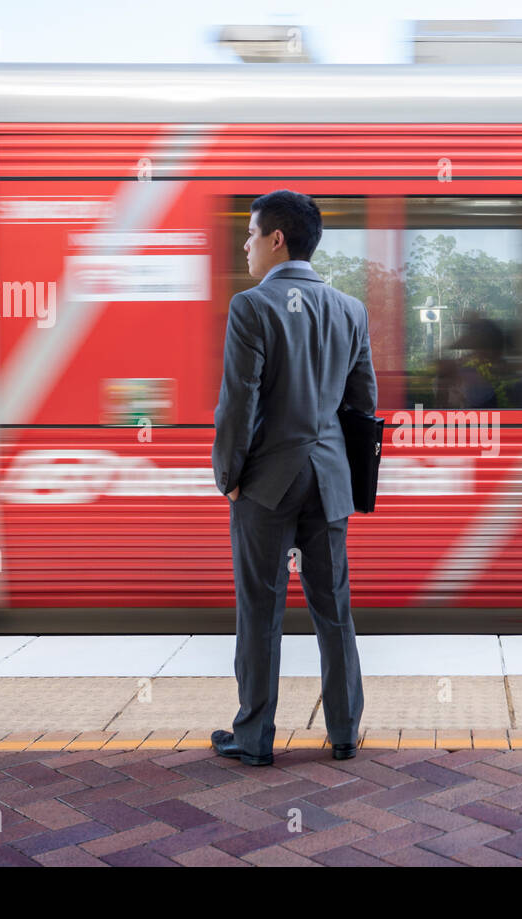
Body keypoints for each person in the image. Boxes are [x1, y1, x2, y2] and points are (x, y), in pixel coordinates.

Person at [210, 190, 377, 766]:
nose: (246, 245)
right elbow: (363, 406)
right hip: (329, 480)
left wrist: (227, 474)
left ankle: (254, 739)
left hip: (266, 483)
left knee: (260, 609)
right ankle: (345, 731)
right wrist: (348, 479)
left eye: (251, 234)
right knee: (334, 608)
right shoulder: (351, 310)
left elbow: (239, 402)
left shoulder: (250, 306)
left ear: (277, 239)